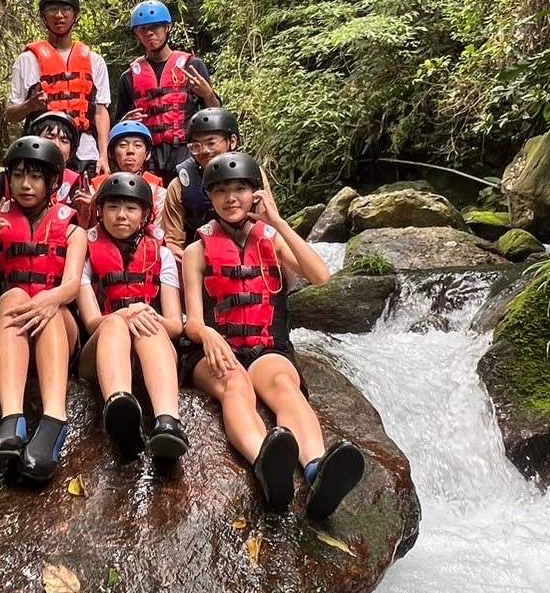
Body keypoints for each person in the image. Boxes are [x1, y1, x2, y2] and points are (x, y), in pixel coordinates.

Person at [182, 151, 364, 517]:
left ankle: (316, 468)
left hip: (267, 347)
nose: (231, 198)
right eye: (220, 191)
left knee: (283, 383)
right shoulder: (196, 250)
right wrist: (207, 335)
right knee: (234, 383)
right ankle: (265, 460)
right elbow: (191, 320)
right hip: (217, 351)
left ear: (256, 194)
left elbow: (322, 277)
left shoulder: (271, 239)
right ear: (210, 198)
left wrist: (278, 222)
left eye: (239, 189)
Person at [0, 135, 88, 483]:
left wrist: (47, 300)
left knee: (47, 305)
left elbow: (70, 287)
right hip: (5, 336)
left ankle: (54, 420)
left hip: (53, 334)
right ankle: (12, 420)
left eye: (35, 176)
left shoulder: (73, 231)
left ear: (52, 182)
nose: (25, 184)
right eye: (18, 175)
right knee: (14, 296)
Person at [77, 173, 186, 459]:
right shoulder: (86, 254)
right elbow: (91, 322)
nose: (121, 216)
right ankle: (119, 404)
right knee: (114, 321)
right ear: (100, 211)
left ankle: (167, 422)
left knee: (148, 325)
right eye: (113, 207)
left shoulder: (161, 257)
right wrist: (126, 313)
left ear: (145, 215)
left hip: (150, 351)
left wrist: (144, 312)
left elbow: (174, 325)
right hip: (101, 354)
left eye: (131, 208)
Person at [0, 113, 83, 306]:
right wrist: (0, 244)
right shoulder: (4, 181)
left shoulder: (78, 187)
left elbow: (86, 245)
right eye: (49, 136)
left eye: (64, 140)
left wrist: (88, 214)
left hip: (54, 272)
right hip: (5, 262)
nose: (56, 145)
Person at [6, 0, 110, 171]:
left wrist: (104, 156)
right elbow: (11, 114)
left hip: (86, 151)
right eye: (52, 9)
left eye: (66, 9)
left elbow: (101, 111)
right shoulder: (27, 60)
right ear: (43, 16)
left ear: (75, 15)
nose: (59, 15)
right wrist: (30, 105)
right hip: (40, 149)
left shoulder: (95, 61)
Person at [114, 0, 219, 181]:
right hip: (148, 156)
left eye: (155, 27)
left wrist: (207, 94)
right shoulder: (129, 77)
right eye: (142, 29)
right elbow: (118, 125)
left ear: (168, 28)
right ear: (136, 34)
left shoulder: (192, 66)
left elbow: (216, 114)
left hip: (185, 151)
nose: (149, 33)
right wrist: (125, 122)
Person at [160, 107, 277, 261]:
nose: (204, 151)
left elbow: (271, 222)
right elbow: (172, 240)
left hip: (252, 256)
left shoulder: (252, 174)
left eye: (211, 143)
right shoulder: (180, 184)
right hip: (201, 260)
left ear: (232, 141)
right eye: (196, 146)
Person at [82, 120, 167, 224]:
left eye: (138, 145)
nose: (130, 151)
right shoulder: (95, 190)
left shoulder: (159, 193)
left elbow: (159, 233)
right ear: (111, 153)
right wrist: (88, 210)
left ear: (148, 154)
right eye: (122, 145)